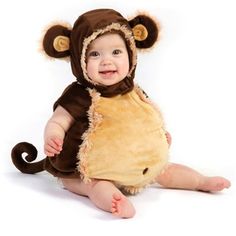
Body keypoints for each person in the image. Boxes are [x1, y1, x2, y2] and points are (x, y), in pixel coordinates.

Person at [12, 9, 231, 219]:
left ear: (131, 53)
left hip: (133, 164)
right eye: (95, 54)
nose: (107, 61)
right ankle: (114, 201)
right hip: (88, 169)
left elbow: (145, 118)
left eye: (116, 52)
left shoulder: (133, 91)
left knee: (165, 169)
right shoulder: (80, 95)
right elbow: (58, 121)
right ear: (79, 59)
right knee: (93, 185)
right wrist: (53, 137)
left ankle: (200, 181)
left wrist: (159, 137)